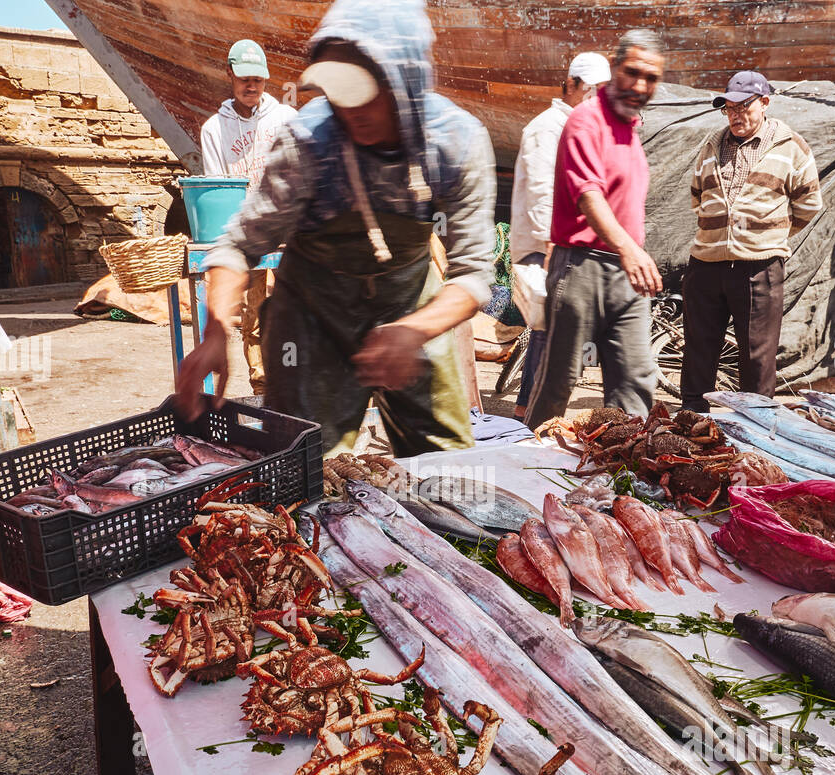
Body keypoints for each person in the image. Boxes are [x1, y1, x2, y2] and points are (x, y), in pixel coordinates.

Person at [174, 0, 495, 458]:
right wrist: (215, 333)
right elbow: (238, 245)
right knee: (306, 465)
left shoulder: (456, 142)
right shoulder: (307, 141)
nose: (350, 107)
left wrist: (413, 331)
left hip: (411, 303)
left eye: (364, 89)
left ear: (405, 82)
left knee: (444, 463)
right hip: (311, 312)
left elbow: (473, 276)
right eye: (338, 89)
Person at [522, 31, 664, 432]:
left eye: (650, 78)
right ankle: (531, 470)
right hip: (581, 268)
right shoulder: (587, 120)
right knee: (558, 382)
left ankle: (625, 478)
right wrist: (629, 249)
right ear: (614, 70)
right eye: (632, 73)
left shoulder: (630, 128)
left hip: (627, 276)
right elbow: (588, 195)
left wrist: (630, 253)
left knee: (636, 380)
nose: (639, 85)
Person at [680, 70, 822, 413]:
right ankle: (692, 420)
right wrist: (720, 233)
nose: (735, 115)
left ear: (764, 103)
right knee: (699, 347)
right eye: (728, 108)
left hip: (759, 267)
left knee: (756, 353)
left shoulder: (790, 147)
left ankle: (754, 426)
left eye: (744, 107)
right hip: (706, 264)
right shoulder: (712, 145)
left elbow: (809, 204)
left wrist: (768, 236)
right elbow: (697, 197)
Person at [508, 51, 611, 421]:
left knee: (553, 328)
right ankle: (528, 410)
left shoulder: (583, 126)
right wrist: (551, 246)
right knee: (546, 328)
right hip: (547, 245)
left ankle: (532, 407)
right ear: (569, 86)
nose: (593, 97)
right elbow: (540, 193)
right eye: (588, 89)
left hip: (571, 244)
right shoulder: (547, 127)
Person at [199, 40, 298, 391]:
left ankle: (302, 387)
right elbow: (217, 188)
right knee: (253, 316)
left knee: (299, 311)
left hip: (289, 229)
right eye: (244, 78)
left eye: (258, 78)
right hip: (248, 234)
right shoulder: (214, 129)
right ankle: (262, 389)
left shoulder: (287, 119)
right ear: (229, 74)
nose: (251, 86)